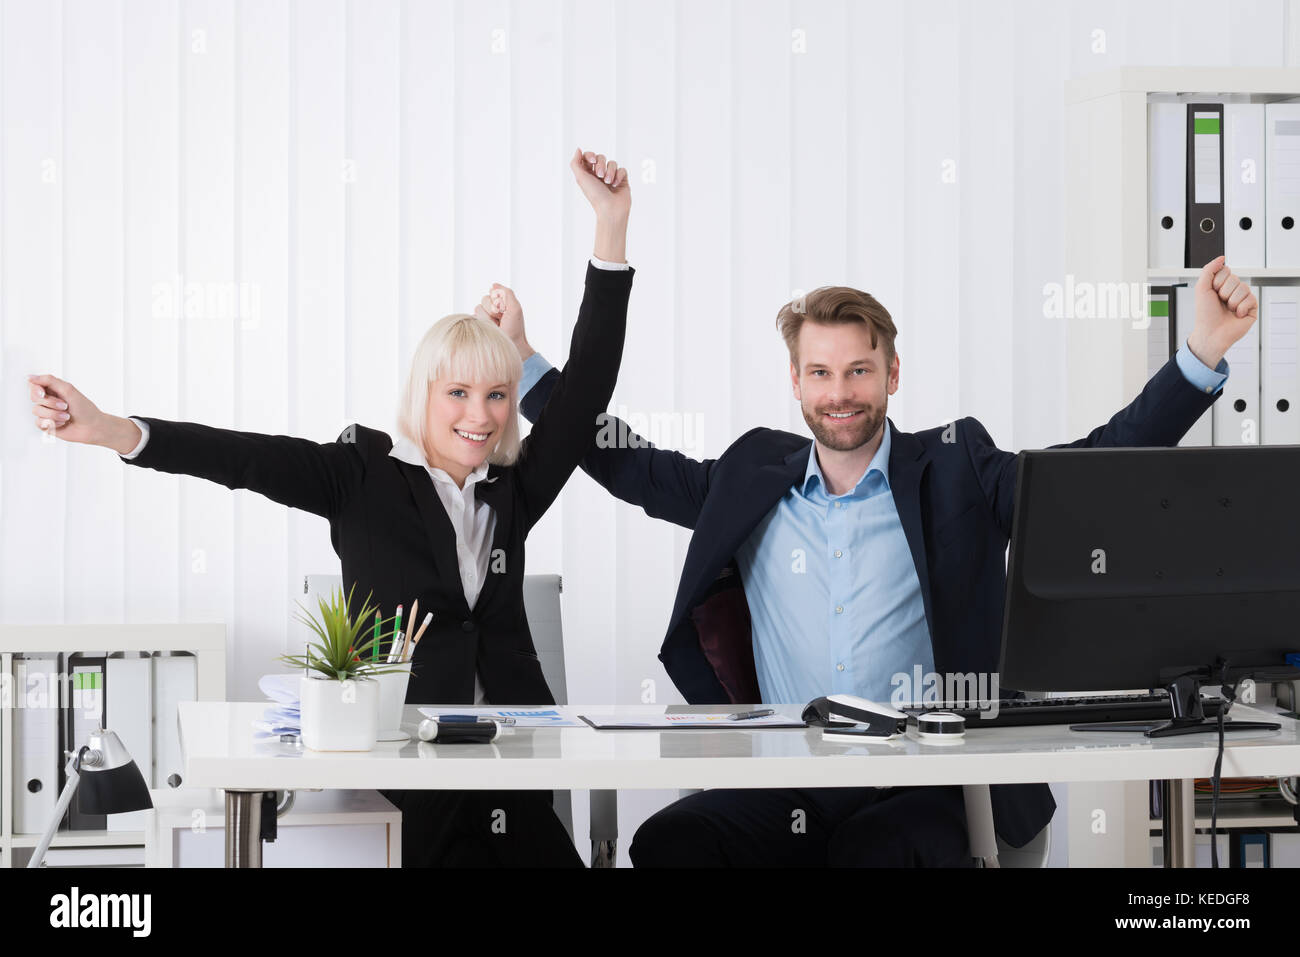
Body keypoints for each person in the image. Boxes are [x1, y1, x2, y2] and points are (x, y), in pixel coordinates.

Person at [501, 255, 1258, 866]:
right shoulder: (750, 474)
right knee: (672, 840)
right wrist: (528, 364)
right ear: (795, 382)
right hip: (794, 775)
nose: (841, 394)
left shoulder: (956, 467)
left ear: (892, 375)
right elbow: (632, 465)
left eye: (860, 370)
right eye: (821, 373)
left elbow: (1091, 470)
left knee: (873, 852)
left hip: (932, 778)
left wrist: (1201, 356)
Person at [26, 147, 634, 868]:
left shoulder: (514, 488)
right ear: (424, 395)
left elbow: (587, 386)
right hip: (406, 772)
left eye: (497, 395)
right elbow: (244, 457)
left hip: (512, 764)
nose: (481, 415)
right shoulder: (360, 475)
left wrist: (610, 225)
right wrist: (114, 431)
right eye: (459, 393)